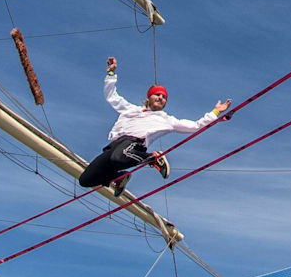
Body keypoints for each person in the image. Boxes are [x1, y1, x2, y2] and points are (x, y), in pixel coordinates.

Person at [78, 57, 230, 193]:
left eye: (164, 97)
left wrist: (215, 113)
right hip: (114, 146)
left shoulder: (167, 119)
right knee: (85, 180)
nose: (161, 98)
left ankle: (153, 158)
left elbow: (196, 126)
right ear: (148, 98)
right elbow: (112, 97)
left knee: (119, 157)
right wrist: (111, 74)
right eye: (157, 95)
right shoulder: (132, 109)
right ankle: (118, 178)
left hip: (134, 145)